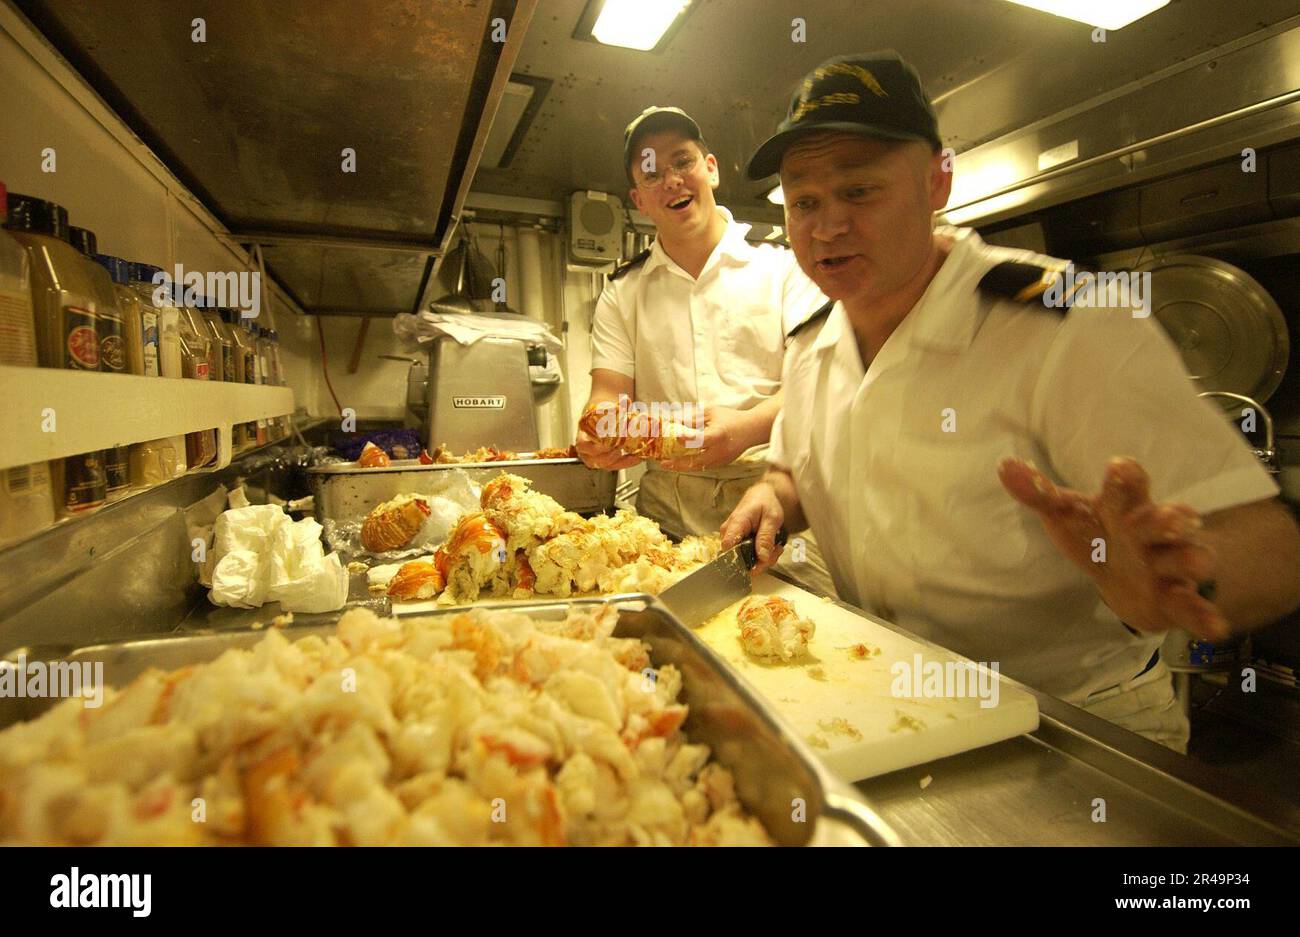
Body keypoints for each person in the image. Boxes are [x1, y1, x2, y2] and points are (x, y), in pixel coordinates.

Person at [721, 51, 1300, 751]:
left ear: (939, 180)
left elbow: (1272, 552)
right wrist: (774, 496)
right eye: (804, 201)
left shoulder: (1069, 322)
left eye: (860, 191)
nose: (826, 225)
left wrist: (1182, 579)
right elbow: (795, 471)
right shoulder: (813, 340)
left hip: (1070, 724)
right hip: (882, 700)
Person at [576, 105, 834, 592]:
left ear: (710, 169)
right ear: (639, 199)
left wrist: (744, 429)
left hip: (777, 504)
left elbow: (819, 385)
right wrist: (601, 431)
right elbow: (607, 394)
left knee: (793, 642)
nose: (671, 179)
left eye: (682, 161)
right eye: (652, 173)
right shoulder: (623, 291)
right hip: (665, 520)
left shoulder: (784, 271)